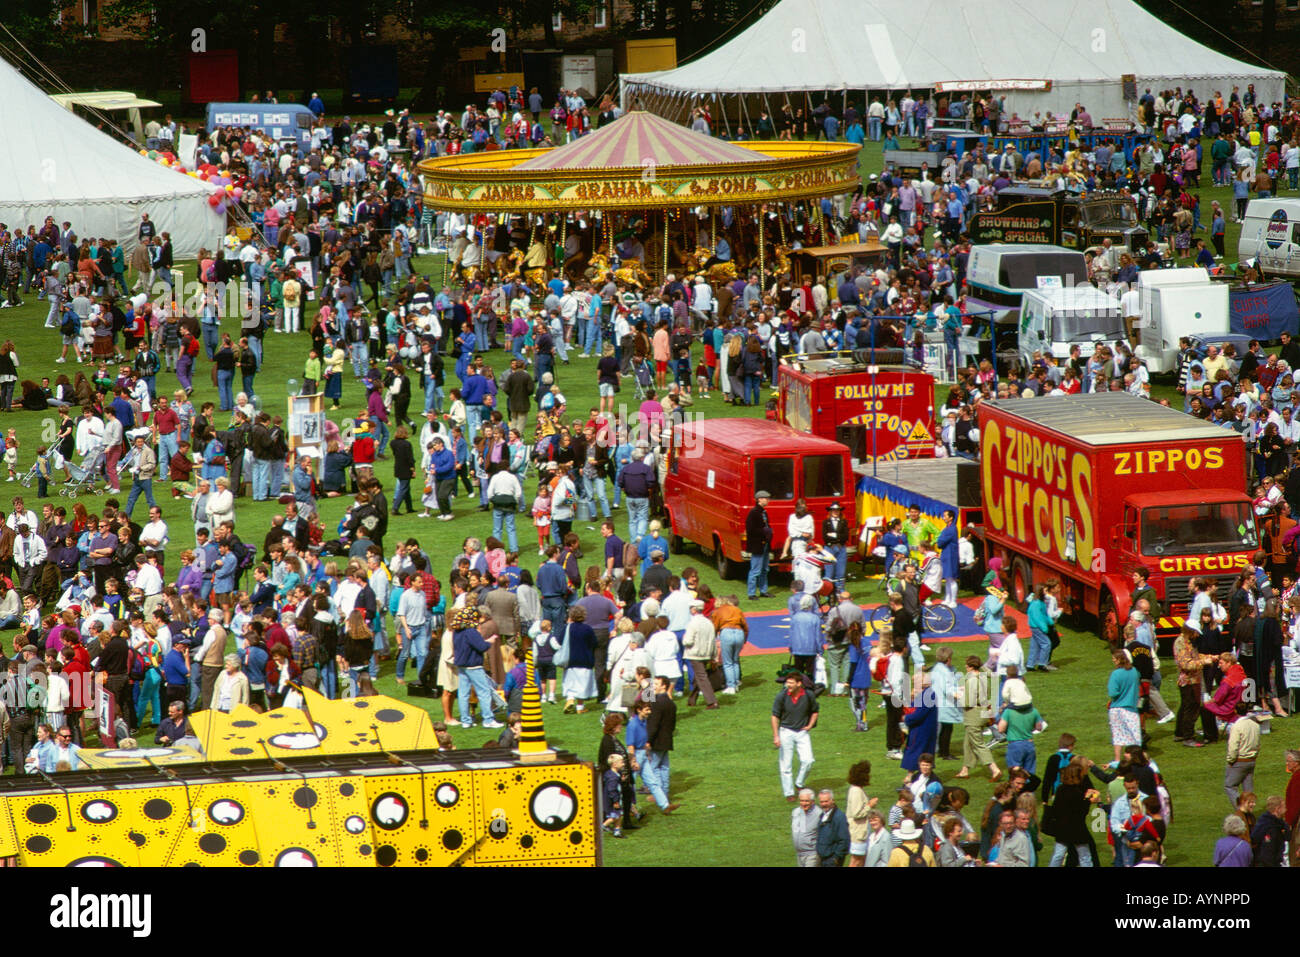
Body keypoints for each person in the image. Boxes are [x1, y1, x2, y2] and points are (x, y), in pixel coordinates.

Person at [772, 670, 818, 800]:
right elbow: (775, 716)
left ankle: (799, 783)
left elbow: (815, 711)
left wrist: (809, 725)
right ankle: (789, 793)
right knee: (785, 764)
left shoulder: (809, 695)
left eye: (791, 683)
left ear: (799, 684)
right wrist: (776, 735)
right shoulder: (781, 696)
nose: (788, 685)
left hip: (802, 732)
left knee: (808, 760)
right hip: (786, 732)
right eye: (787, 682)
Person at [644, 674, 680, 814]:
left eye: (656, 685)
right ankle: (664, 793)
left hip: (657, 741)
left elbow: (653, 724)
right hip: (667, 739)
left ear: (664, 686)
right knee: (664, 768)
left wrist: (648, 740)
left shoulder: (657, 703)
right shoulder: (670, 702)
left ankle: (659, 796)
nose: (653, 687)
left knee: (653, 769)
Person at [745, 490, 773, 600]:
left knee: (765, 569)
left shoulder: (763, 512)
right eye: (766, 498)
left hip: (764, 544)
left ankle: (763, 590)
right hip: (757, 545)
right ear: (759, 499)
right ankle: (751, 593)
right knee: (755, 570)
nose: (768, 500)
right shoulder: (754, 513)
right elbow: (750, 529)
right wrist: (764, 531)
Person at [815, 789, 849, 867]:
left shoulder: (839, 817)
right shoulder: (823, 815)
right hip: (822, 858)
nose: (823, 804)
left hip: (832, 860)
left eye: (826, 801)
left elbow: (844, 840)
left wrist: (836, 858)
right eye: (821, 802)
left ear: (832, 801)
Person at [790, 788, 820, 866]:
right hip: (799, 854)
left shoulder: (819, 814)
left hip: (812, 854)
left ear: (813, 801)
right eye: (801, 800)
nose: (804, 803)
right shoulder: (795, 812)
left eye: (806, 801)